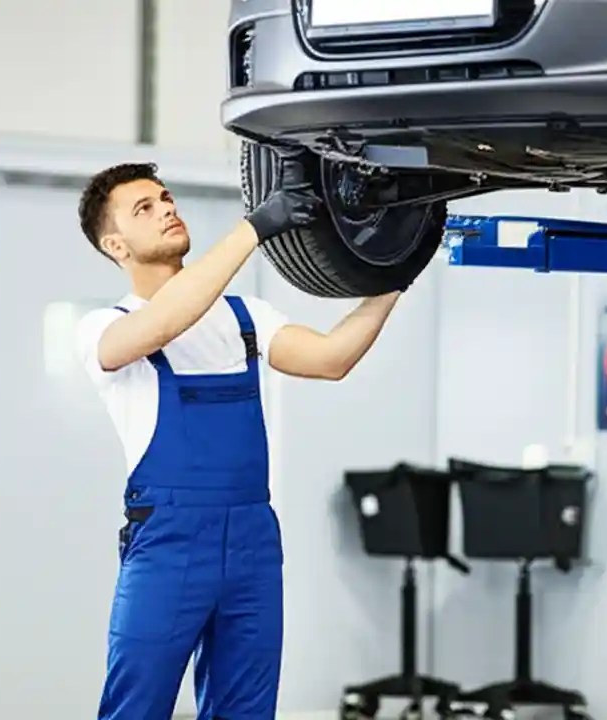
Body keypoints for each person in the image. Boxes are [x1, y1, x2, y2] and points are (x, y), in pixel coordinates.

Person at [73, 151, 404, 720]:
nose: (166, 210)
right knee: (135, 708)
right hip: (169, 544)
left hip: (252, 540)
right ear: (115, 246)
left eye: (167, 198)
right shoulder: (105, 327)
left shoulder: (245, 317)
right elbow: (163, 324)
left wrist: (396, 274)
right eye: (144, 207)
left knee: (246, 712)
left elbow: (330, 358)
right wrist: (252, 229)